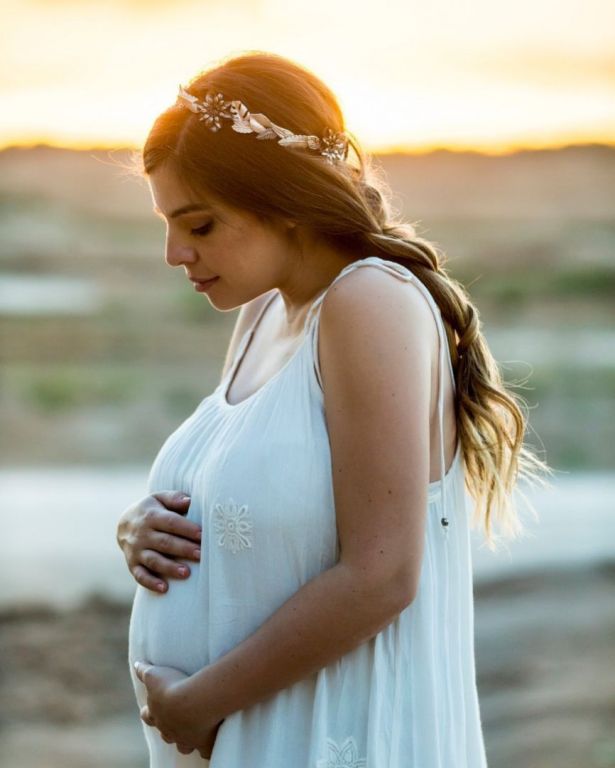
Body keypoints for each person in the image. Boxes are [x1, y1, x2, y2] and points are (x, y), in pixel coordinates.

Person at [116, 50, 551, 767]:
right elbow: (254, 497)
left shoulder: (367, 303)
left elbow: (381, 575)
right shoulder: (262, 315)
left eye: (198, 225)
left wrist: (200, 703)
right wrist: (141, 528)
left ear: (283, 202)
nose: (172, 254)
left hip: (333, 731)